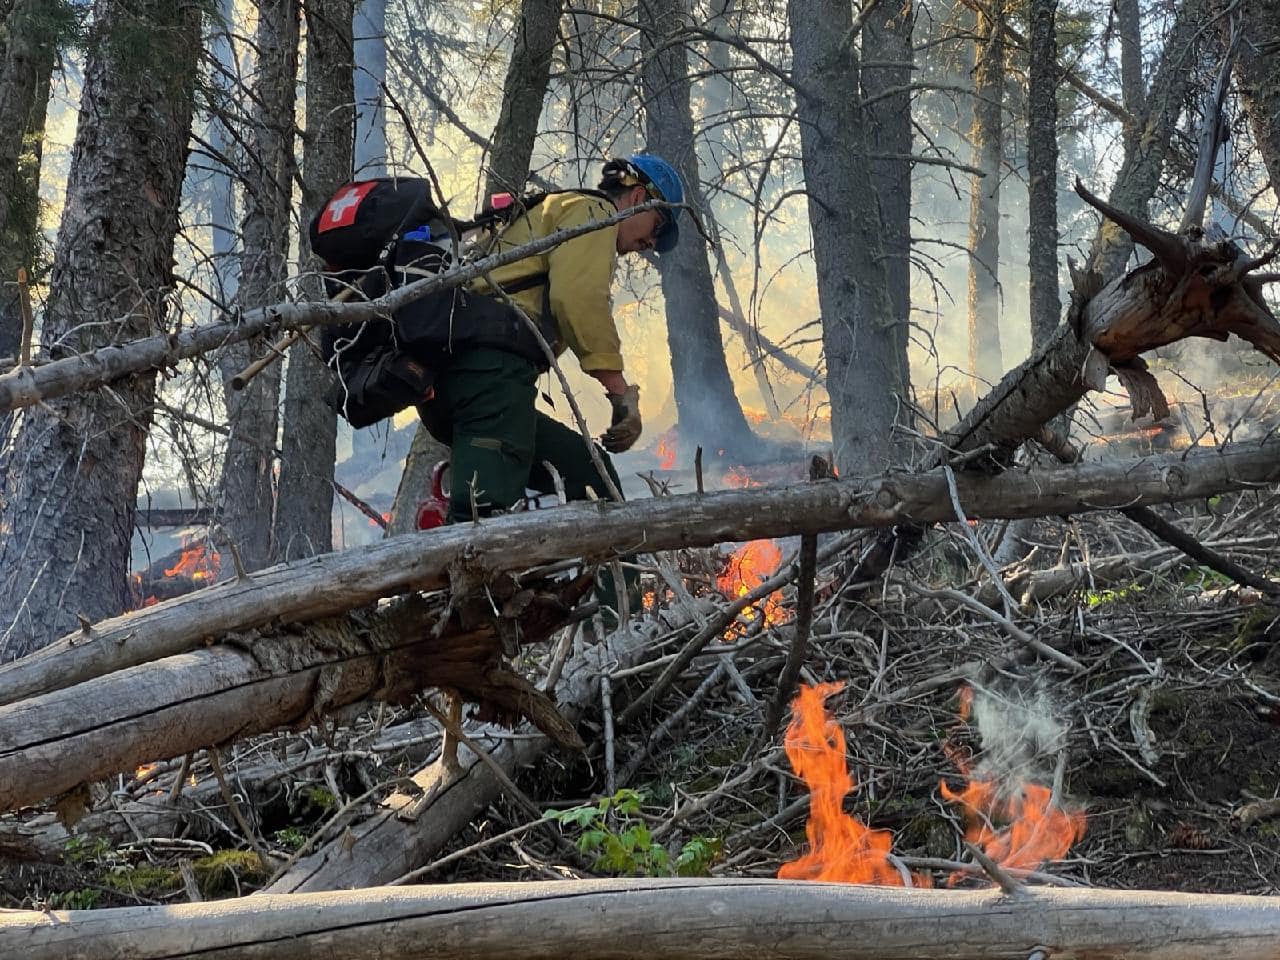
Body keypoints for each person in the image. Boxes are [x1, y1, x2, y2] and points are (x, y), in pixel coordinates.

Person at [417, 154, 683, 530]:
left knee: (590, 476)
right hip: (489, 378)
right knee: (481, 529)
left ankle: (601, 587)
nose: (650, 243)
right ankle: (454, 579)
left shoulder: (557, 208)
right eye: (656, 227)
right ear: (639, 197)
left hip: (467, 384)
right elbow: (577, 299)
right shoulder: (594, 213)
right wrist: (622, 394)